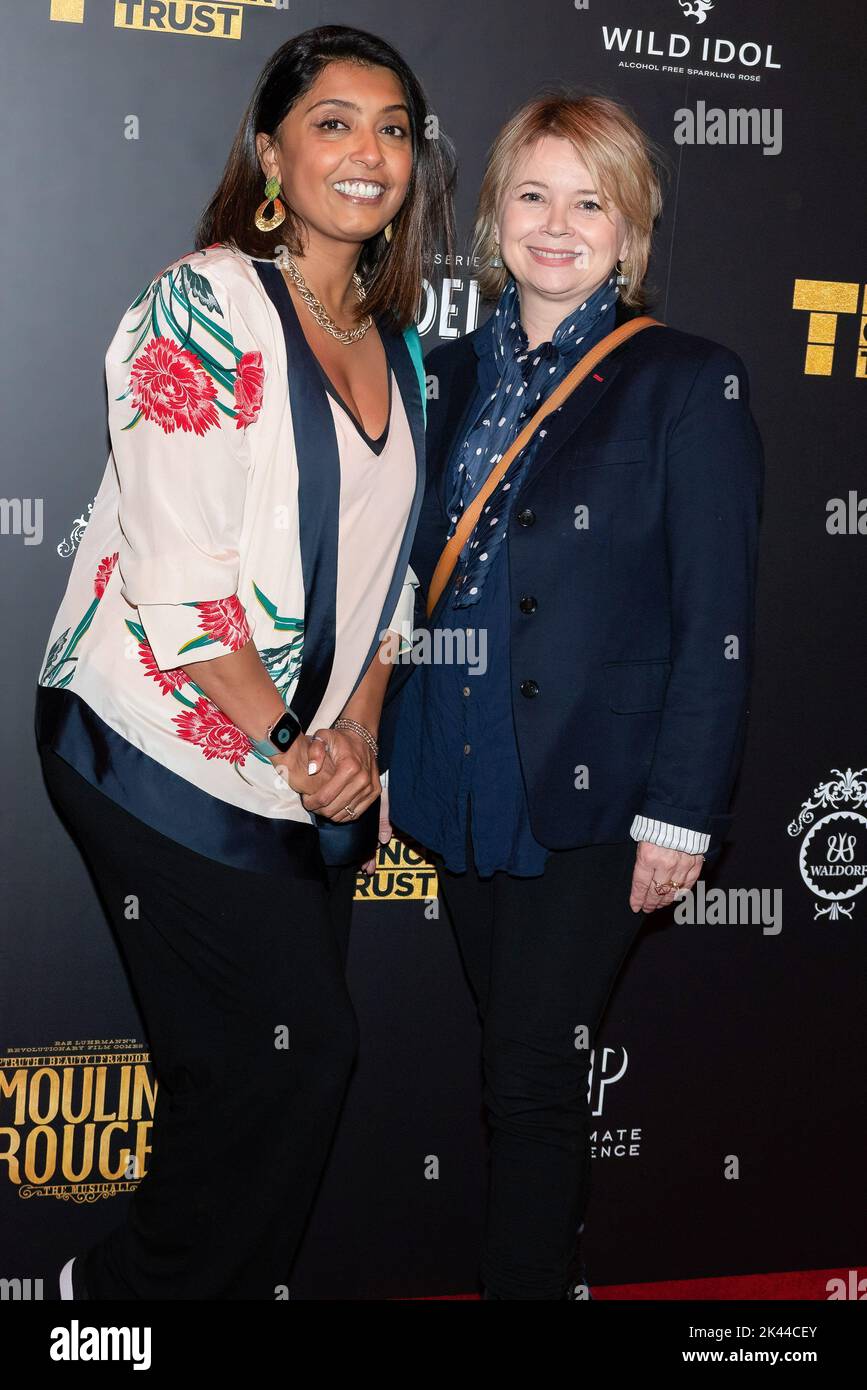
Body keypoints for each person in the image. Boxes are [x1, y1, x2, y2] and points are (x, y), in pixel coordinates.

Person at [36, 24, 454, 1300]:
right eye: (333, 121)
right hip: (155, 739)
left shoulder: (403, 344)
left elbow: (394, 584)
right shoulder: (201, 302)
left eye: (392, 126)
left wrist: (359, 739)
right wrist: (293, 744)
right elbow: (178, 587)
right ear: (271, 151)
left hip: (308, 768)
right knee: (296, 1056)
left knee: (255, 1075)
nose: (368, 150)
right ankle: (98, 1314)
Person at [375, 92, 764, 1300]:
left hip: (597, 795)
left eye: (590, 200)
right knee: (511, 1061)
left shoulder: (689, 385)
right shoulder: (432, 375)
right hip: (459, 769)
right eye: (533, 195)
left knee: (536, 1073)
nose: (558, 225)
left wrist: (683, 812)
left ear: (629, 228)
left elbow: (720, 622)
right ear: (493, 215)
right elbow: (401, 587)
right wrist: (391, 747)